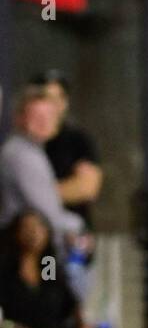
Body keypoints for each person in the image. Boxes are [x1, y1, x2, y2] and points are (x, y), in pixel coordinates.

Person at [0, 87, 86, 254]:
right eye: (36, 116)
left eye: (49, 116)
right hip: (23, 254)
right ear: (20, 119)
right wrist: (80, 227)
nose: (43, 122)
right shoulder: (21, 154)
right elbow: (48, 215)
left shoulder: (33, 151)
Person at [0, 211, 90, 328]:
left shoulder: (48, 266)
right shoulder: (7, 270)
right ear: (15, 233)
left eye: (38, 227)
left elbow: (67, 301)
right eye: (27, 228)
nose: (33, 232)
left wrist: (83, 325)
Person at [28, 71, 102, 227]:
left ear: (65, 102)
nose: (51, 107)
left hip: (70, 235)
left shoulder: (77, 140)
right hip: (30, 237)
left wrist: (34, 193)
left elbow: (87, 187)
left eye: (56, 99)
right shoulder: (21, 145)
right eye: (45, 99)